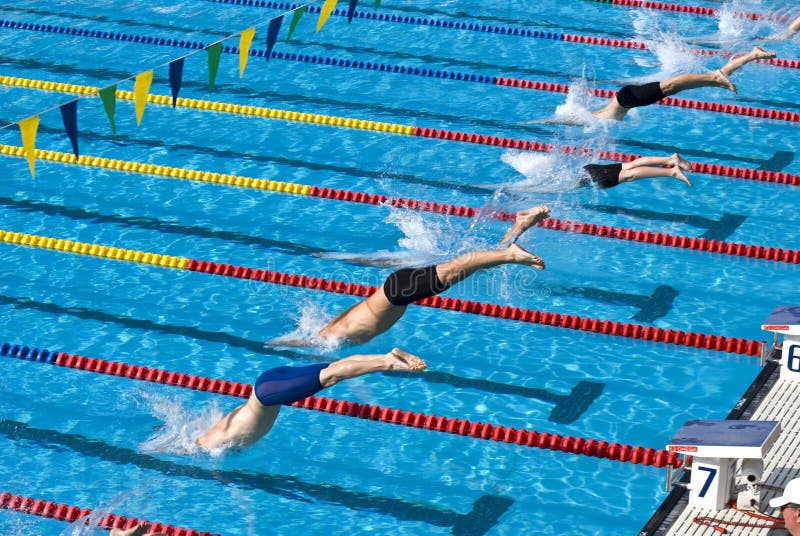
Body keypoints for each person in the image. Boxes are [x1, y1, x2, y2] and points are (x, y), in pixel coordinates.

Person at [270, 205, 550, 347]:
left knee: (458, 268)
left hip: (396, 293)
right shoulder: (334, 329)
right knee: (465, 267)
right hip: (396, 291)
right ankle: (519, 227)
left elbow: (305, 343)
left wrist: (276, 345)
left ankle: (510, 253)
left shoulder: (333, 337)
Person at [196, 348, 427, 450]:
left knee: (330, 376)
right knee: (333, 368)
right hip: (268, 382)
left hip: (268, 394)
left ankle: (388, 362)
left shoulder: (211, 446)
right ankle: (385, 357)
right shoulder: (214, 431)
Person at [592, 46, 776, 121]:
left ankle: (716, 79)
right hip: (628, 99)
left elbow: (572, 120)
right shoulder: (596, 116)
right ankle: (753, 54)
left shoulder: (595, 120)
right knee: (718, 74)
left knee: (672, 85)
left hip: (629, 99)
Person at [580, 153, 693, 188]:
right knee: (631, 165)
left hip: (593, 178)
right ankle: (670, 159)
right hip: (589, 169)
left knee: (628, 174)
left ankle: (671, 172)